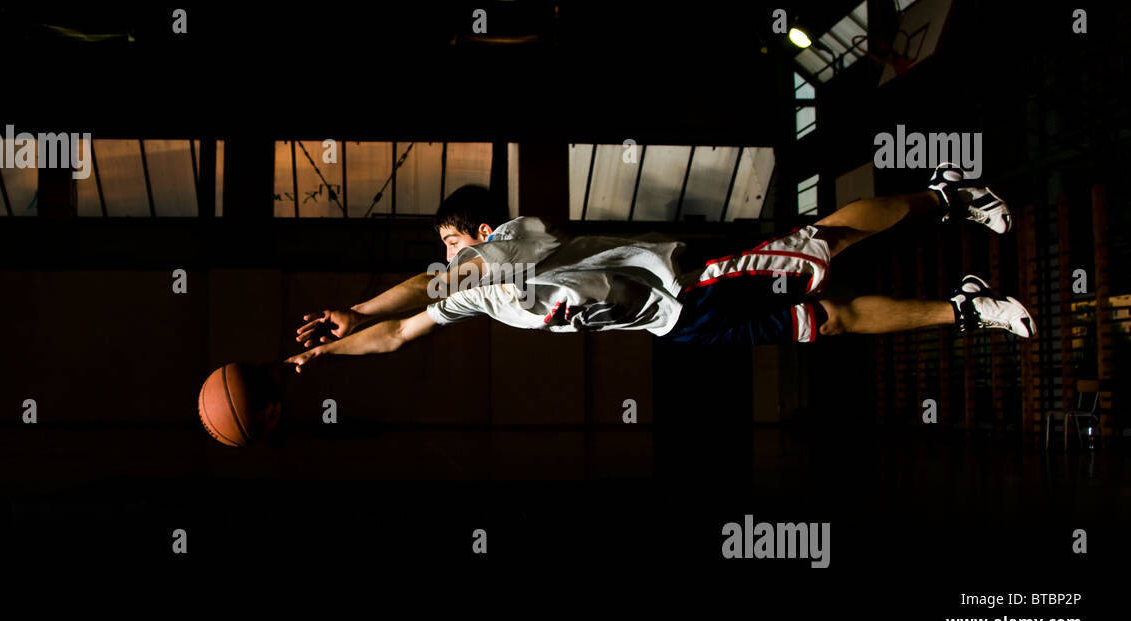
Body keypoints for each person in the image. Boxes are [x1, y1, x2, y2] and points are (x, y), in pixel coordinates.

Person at [286, 164, 1034, 373]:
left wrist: (360, 303)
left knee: (822, 244)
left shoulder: (514, 239)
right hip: (679, 327)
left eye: (451, 240)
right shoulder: (476, 296)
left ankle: (946, 194)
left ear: (479, 231)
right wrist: (333, 346)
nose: (446, 255)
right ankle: (965, 307)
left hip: (689, 279)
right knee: (826, 321)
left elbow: (430, 285)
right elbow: (396, 335)